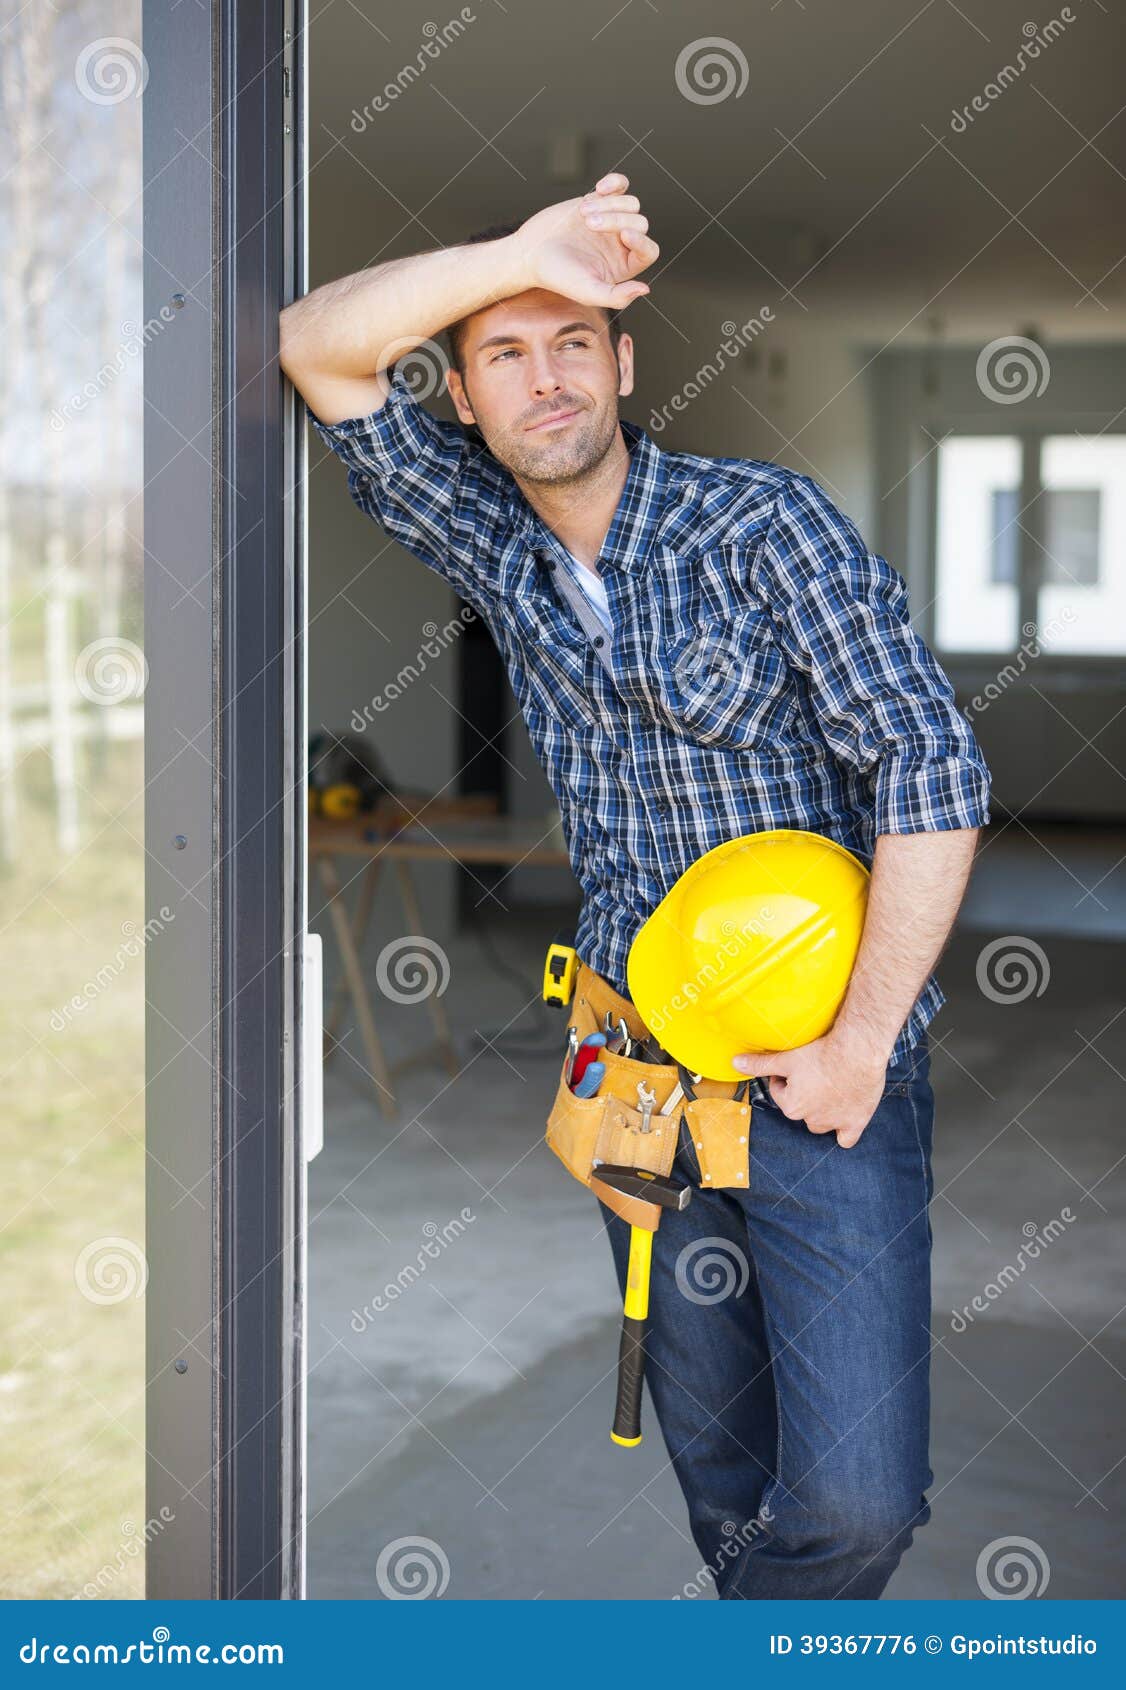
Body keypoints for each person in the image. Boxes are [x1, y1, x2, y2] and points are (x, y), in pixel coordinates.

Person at [279, 174, 991, 1599]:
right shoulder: (489, 536)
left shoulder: (762, 526)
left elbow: (931, 768)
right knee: (723, 1476)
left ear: (623, 363)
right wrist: (519, 252)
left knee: (852, 1500)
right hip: (634, 1081)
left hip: (812, 1076)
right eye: (502, 351)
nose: (543, 375)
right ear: (468, 401)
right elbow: (315, 343)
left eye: (569, 339)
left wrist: (859, 1043)